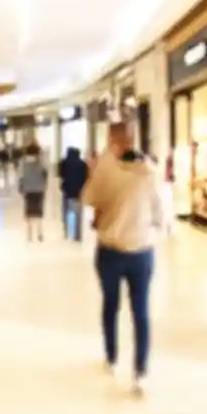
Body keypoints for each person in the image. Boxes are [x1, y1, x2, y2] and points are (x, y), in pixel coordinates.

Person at [81, 121, 165, 397]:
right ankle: (141, 371)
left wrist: (94, 172)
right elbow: (160, 214)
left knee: (111, 305)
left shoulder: (106, 169)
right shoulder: (150, 172)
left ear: (113, 140)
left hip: (110, 249)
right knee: (140, 310)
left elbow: (88, 198)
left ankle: (111, 356)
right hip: (142, 251)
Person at [18, 144, 48, 242]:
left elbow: (21, 176)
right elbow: (45, 174)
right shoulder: (41, 162)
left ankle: (29, 234)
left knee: (29, 211)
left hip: (28, 189)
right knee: (39, 211)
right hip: (39, 189)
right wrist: (44, 184)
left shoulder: (23, 162)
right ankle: (40, 232)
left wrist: (21, 187)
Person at [58, 147, 89, 241]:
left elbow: (60, 174)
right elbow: (86, 178)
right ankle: (77, 235)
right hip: (79, 192)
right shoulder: (83, 164)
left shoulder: (64, 163)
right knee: (78, 214)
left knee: (66, 212)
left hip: (67, 191)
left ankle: (66, 232)